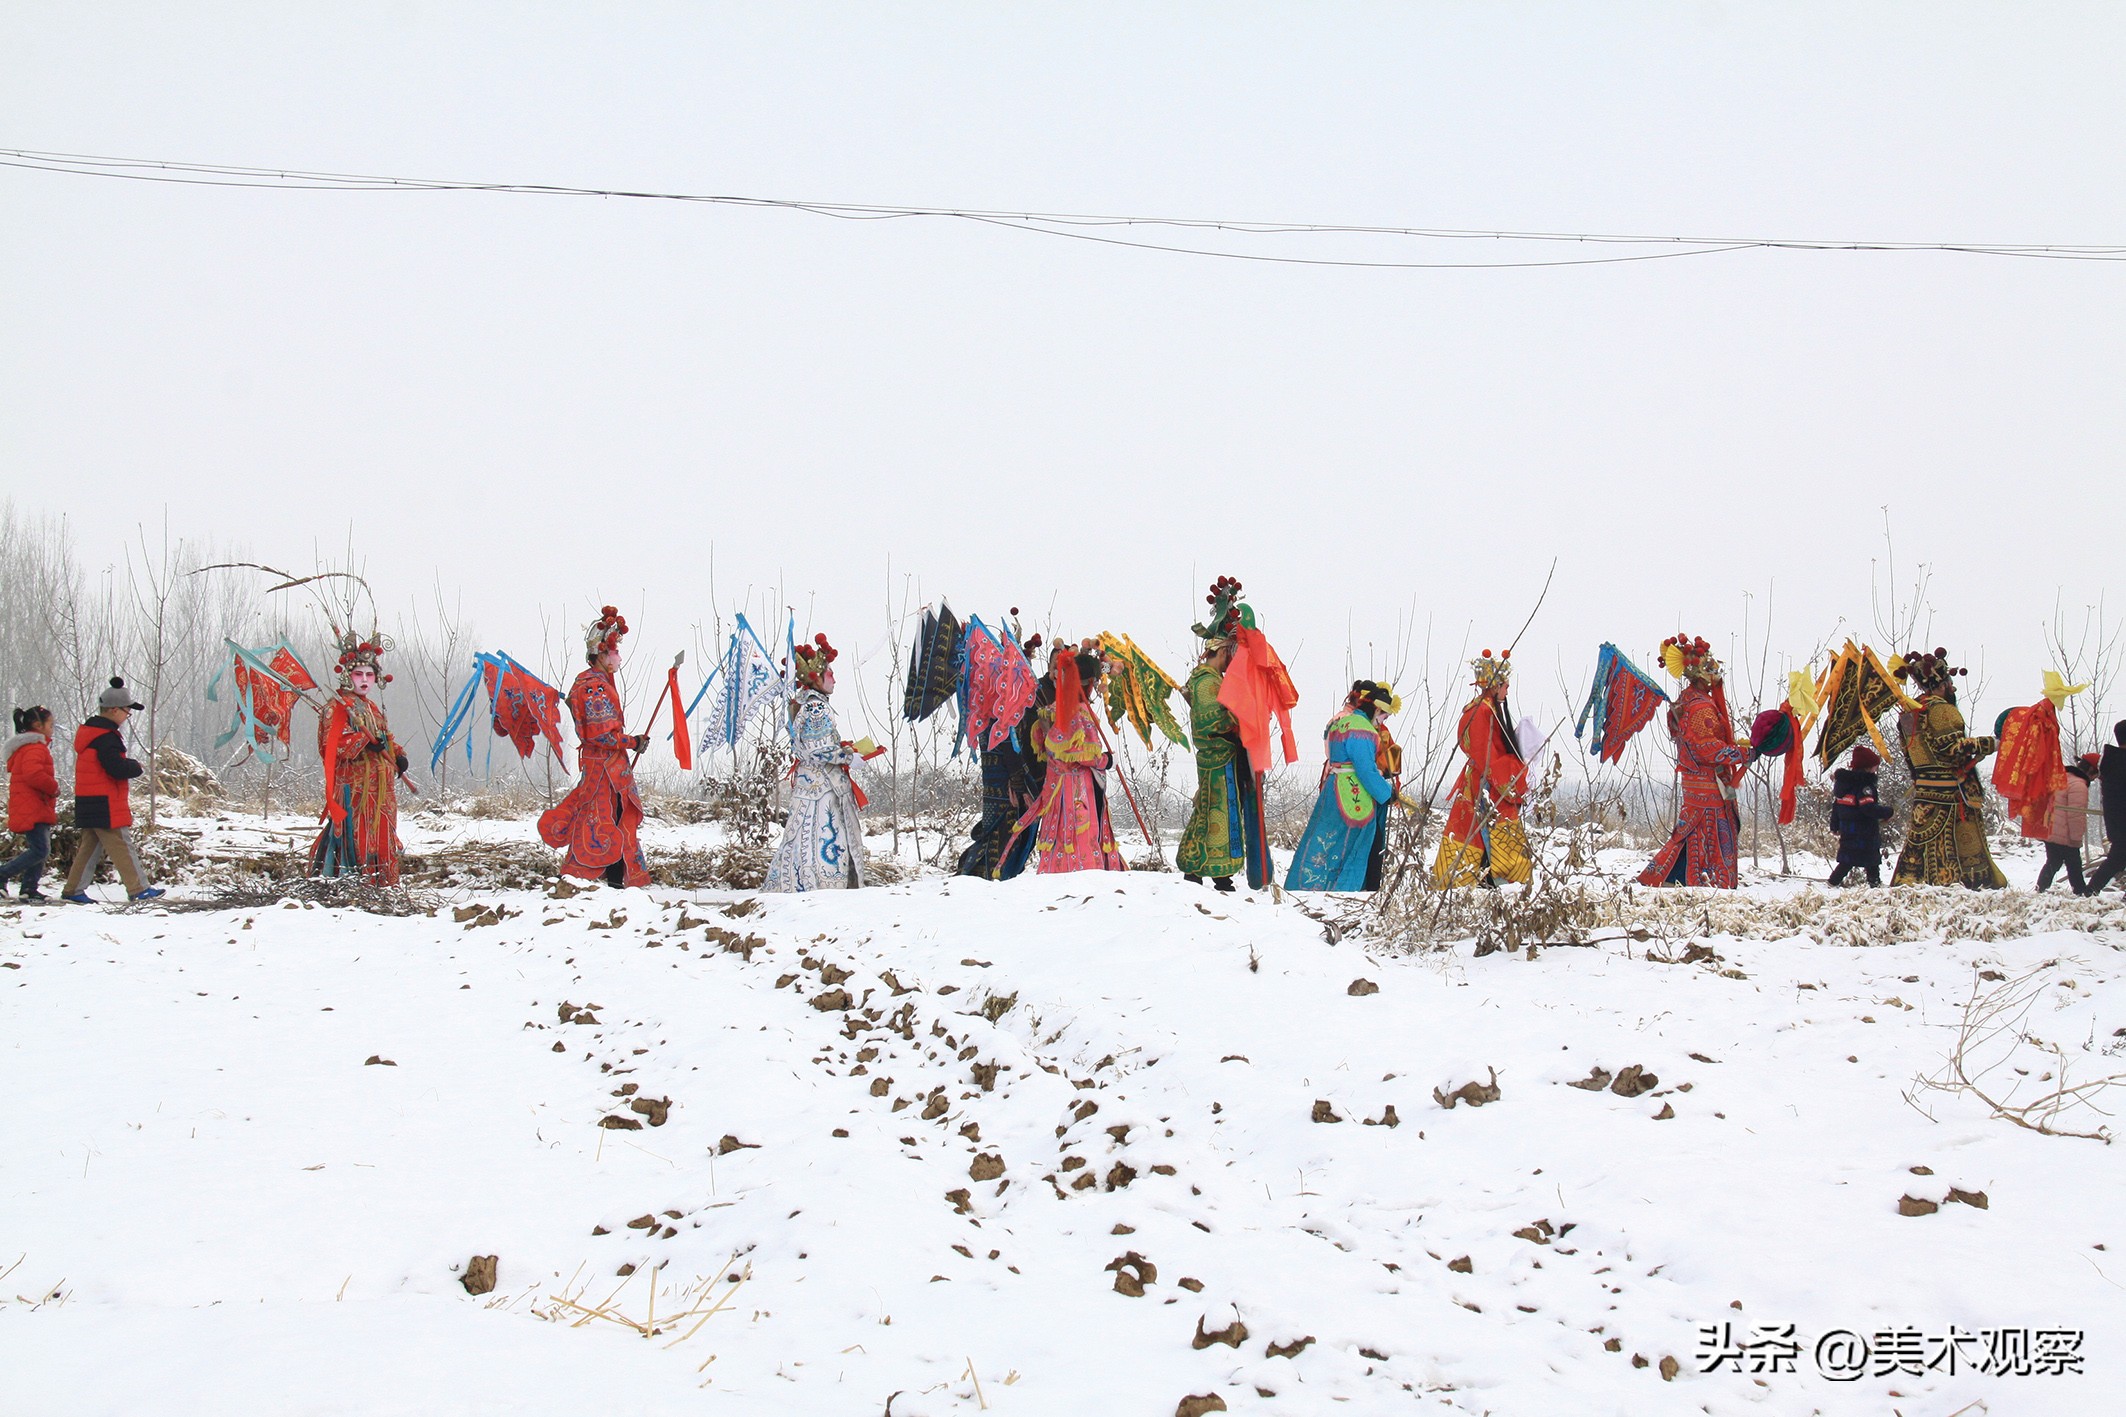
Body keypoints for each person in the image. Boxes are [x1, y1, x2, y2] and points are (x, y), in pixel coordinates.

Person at [538, 607, 651, 887]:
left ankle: (612, 878)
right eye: (614, 652)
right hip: (604, 770)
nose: (618, 658)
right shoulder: (593, 688)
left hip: (609, 769)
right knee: (605, 819)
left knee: (612, 818)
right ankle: (604, 879)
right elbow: (600, 736)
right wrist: (632, 742)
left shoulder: (597, 683)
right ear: (601, 654)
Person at [1176, 576, 1271, 892]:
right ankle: (1204, 867)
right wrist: (1236, 716)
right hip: (1215, 757)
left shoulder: (1217, 680)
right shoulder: (1205, 682)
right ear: (1221, 650)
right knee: (1213, 811)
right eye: (1231, 651)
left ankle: (1217, 871)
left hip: (1226, 759)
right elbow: (1208, 720)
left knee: (1223, 811)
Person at [1638, 635, 1754, 889]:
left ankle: (1674, 878)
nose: (1716, 674)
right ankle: (1704, 880)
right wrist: (1741, 754)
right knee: (1707, 831)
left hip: (1695, 782)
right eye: (1712, 669)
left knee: (1691, 831)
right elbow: (1707, 749)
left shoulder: (1686, 701)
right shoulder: (1701, 706)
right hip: (1708, 783)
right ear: (1701, 673)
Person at [1890, 648, 2007, 889]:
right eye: (1950, 683)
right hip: (1950, 794)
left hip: (1925, 792)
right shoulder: (1941, 709)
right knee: (1957, 845)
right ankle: (1965, 884)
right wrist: (1990, 743)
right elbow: (1953, 749)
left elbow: (1912, 757)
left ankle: (1911, 884)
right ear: (1941, 684)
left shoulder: (1909, 712)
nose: (1953, 688)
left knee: (1918, 845)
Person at [765, 634, 868, 891]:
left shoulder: (803, 704)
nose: (834, 679)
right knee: (823, 832)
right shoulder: (816, 708)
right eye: (830, 674)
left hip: (810, 784)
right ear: (817, 678)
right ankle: (822, 885)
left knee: (802, 834)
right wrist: (848, 756)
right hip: (822, 788)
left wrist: (843, 748)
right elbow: (818, 748)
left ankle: (800, 882)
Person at [1015, 642, 1126, 875]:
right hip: (1076, 789)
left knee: (1066, 837)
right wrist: (1107, 761)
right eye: (1095, 682)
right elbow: (1085, 754)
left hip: (1060, 786)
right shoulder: (1075, 712)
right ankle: (1083, 875)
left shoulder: (1055, 708)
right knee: (1078, 838)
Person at [309, 631, 408, 884]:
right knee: (357, 836)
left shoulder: (371, 707)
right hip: (355, 791)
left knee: (382, 834)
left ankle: (383, 882)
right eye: (358, 674)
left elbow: (384, 737)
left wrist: (398, 755)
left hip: (382, 793)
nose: (365, 680)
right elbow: (330, 746)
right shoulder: (337, 707)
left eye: (370, 675)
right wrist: (363, 742)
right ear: (347, 675)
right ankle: (353, 882)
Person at [1432, 650, 1533, 888]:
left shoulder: (1483, 709)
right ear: (1495, 684)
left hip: (1481, 780)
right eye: (1505, 685)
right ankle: (1493, 884)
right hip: (1486, 784)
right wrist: (1518, 773)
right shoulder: (1483, 712)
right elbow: (1487, 757)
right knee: (1488, 835)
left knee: (1474, 834)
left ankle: (1479, 882)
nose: (1507, 690)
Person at [1286, 681, 1398, 891]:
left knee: (1325, 837)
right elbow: (1365, 769)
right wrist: (1387, 793)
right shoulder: (1362, 729)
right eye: (1385, 715)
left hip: (1332, 785)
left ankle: (1304, 883)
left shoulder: (1339, 722)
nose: (1384, 720)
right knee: (1353, 841)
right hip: (1351, 790)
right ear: (1376, 708)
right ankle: (1345, 887)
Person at [60, 677, 162, 903]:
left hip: (88, 798)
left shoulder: (90, 733)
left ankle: (73, 890)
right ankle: (139, 889)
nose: (127, 716)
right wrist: (135, 767)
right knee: (122, 845)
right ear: (114, 710)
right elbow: (115, 768)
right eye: (127, 711)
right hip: (105, 800)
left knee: (89, 846)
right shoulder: (106, 737)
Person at [2, 706, 59, 902]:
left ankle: (29, 888)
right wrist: (53, 787)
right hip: (33, 805)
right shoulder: (35, 748)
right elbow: (33, 774)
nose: (53, 729)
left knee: (41, 847)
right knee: (40, 849)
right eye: (50, 725)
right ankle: (3, 875)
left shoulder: (29, 748)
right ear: (38, 725)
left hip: (33, 805)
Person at [1826, 744, 1893, 887]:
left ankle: (1832, 883)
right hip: (1864, 832)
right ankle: (1875, 885)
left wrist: (1835, 825)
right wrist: (1887, 812)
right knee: (1872, 860)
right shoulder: (1864, 786)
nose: (1876, 769)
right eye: (1875, 766)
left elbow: (1836, 807)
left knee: (1847, 860)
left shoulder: (1843, 785)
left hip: (1848, 831)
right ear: (1868, 767)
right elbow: (1868, 808)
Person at [2034, 756, 2095, 894]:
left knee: (2053, 861)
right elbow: (2076, 814)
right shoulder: (2079, 785)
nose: (2095, 779)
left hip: (2050, 828)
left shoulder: (2063, 777)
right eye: (2095, 775)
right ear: (2091, 770)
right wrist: (2076, 837)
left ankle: (2040, 888)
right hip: (2065, 833)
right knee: (2073, 864)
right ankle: (2080, 892)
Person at [2081, 723, 2126, 896]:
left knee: (2116, 859)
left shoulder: (2112, 760)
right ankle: (2090, 891)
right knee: (2116, 859)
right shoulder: (2121, 763)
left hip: (2116, 820)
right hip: (2122, 820)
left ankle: (2091, 890)